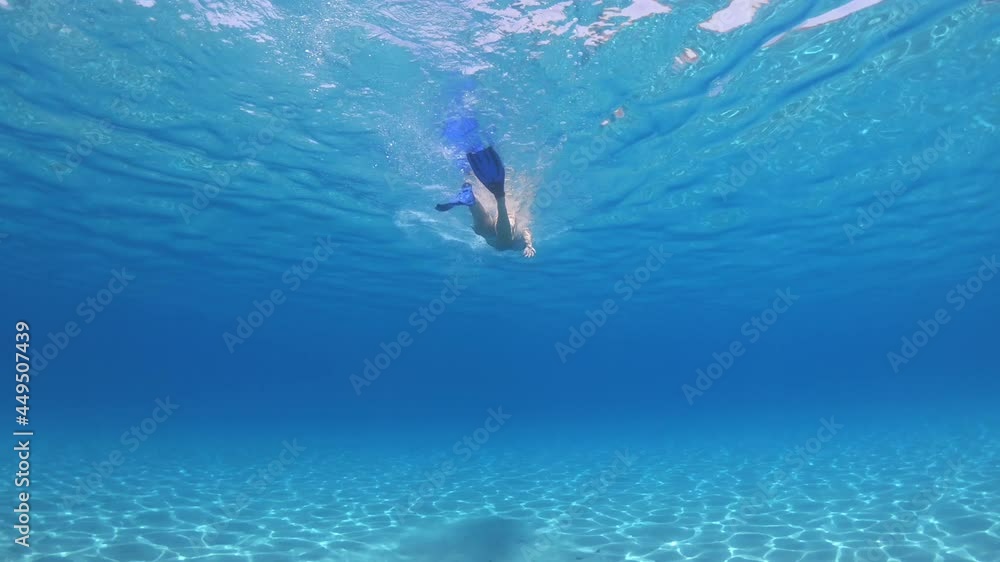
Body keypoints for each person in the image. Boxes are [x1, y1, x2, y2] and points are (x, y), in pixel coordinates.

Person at [435, 116, 535, 259]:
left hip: (495, 228)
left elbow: (526, 232)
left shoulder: (515, 240)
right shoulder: (518, 231)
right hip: (506, 225)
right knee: (497, 240)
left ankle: (471, 200)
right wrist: (529, 244)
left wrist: (528, 244)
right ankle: (490, 198)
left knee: (484, 231)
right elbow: (526, 230)